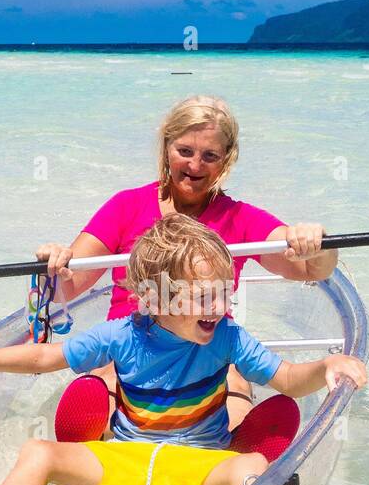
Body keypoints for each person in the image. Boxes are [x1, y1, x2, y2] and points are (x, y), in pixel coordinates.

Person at [0, 214, 367, 485]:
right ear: (154, 299)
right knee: (38, 453)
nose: (220, 304)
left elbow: (288, 378)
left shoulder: (228, 337)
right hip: (125, 461)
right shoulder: (122, 335)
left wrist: (325, 367)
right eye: (203, 296)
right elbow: (43, 357)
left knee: (250, 467)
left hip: (198, 467)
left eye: (223, 291)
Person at [36, 94, 338, 431]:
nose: (195, 166)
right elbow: (68, 285)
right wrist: (54, 262)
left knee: (234, 380)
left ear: (226, 161)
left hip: (205, 345)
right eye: (185, 151)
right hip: (129, 345)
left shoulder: (241, 218)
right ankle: (94, 448)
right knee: (106, 375)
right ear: (166, 148)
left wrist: (316, 242)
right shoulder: (126, 206)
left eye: (210, 156)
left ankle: (235, 458)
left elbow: (312, 271)